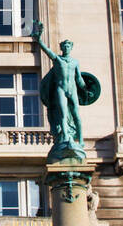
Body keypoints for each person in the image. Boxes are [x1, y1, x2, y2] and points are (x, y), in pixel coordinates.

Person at [31, 20, 86, 150]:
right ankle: (66, 135)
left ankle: (81, 138)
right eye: (64, 46)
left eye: (68, 46)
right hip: (61, 89)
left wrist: (85, 88)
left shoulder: (75, 62)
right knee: (63, 113)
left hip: (72, 89)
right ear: (61, 48)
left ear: (71, 48)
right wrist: (39, 40)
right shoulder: (58, 60)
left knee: (76, 114)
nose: (66, 48)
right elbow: (47, 51)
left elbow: (79, 79)